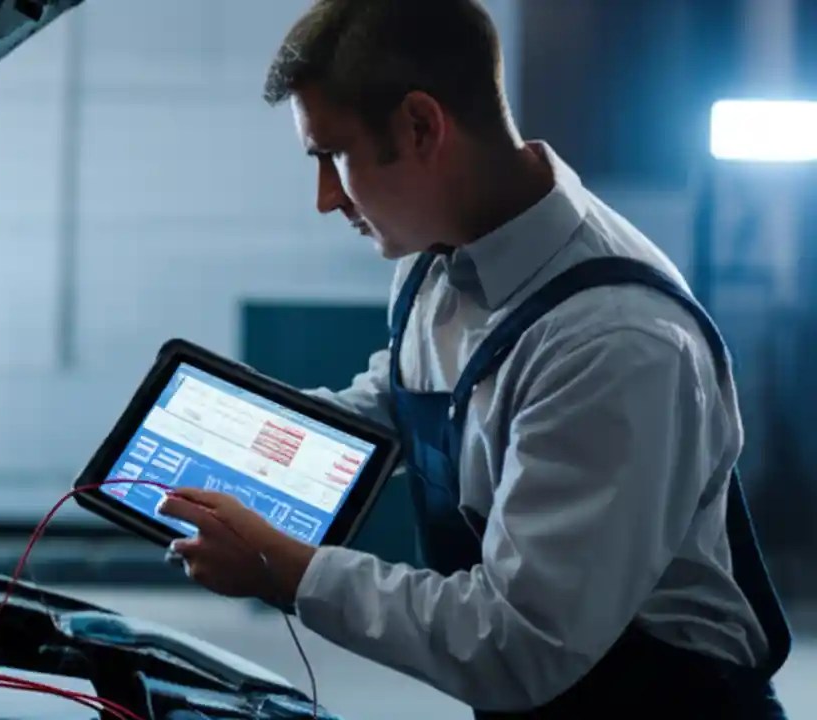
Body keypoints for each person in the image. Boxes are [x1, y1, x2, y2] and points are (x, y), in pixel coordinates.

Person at [156, 1, 792, 718]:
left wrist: (289, 571)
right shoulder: (439, 257)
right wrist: (230, 444)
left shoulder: (614, 342)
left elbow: (519, 643)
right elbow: (401, 405)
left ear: (423, 126)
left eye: (333, 157)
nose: (324, 199)